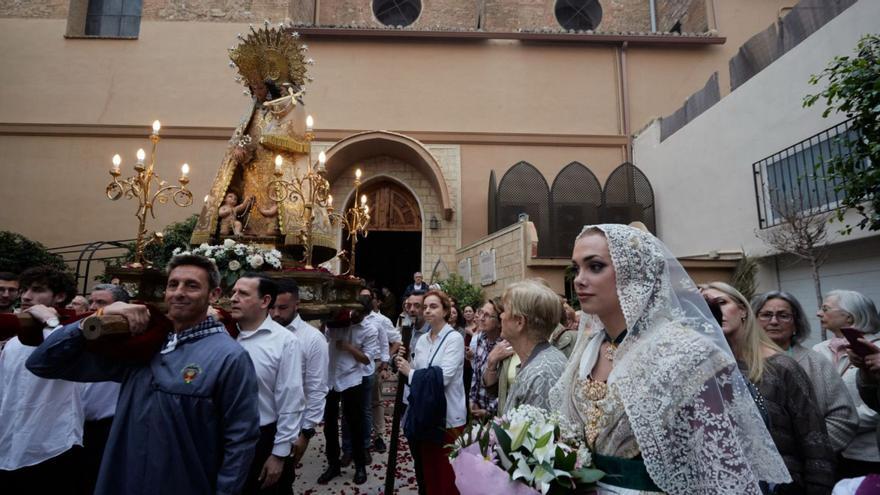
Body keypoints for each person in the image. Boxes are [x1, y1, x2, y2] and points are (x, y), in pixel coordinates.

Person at [551, 224, 790, 494]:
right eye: (576, 268)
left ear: (636, 274)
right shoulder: (588, 349)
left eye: (595, 267)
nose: (579, 280)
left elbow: (720, 469)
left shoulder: (687, 353)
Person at [26, 254, 261, 495]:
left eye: (191, 285)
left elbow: (241, 440)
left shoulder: (230, 357)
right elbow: (43, 364)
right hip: (122, 480)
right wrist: (96, 316)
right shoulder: (143, 346)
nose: (179, 292)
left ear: (213, 295)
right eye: (173, 284)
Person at [703, 282, 834, 494]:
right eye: (706, 306)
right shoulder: (707, 371)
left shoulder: (782, 367)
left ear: (743, 310)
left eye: (722, 302)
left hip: (784, 486)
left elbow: (814, 439)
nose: (717, 311)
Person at [0, 267, 82, 493]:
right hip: (10, 439)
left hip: (52, 443)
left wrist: (50, 321)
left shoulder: (70, 334)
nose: (26, 296)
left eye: (37, 290)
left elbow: (63, 347)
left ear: (60, 297)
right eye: (25, 290)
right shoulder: (14, 342)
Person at [752, 290, 858, 453]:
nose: (774, 321)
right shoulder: (739, 362)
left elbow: (843, 418)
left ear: (796, 323)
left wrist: (808, 450)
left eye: (783, 315)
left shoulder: (816, 362)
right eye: (766, 315)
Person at [231, 274, 304, 495]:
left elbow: (290, 398)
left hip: (261, 439)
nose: (233, 298)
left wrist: (279, 454)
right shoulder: (223, 333)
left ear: (265, 301)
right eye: (233, 292)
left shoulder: (284, 341)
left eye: (243, 294)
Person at [396, 289, 465, 495]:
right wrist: (404, 361)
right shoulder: (422, 340)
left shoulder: (454, 339)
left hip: (448, 417)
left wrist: (411, 373)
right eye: (425, 307)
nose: (427, 310)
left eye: (433, 306)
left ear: (445, 311)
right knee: (429, 473)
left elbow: (442, 377)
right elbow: (415, 370)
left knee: (448, 476)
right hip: (425, 416)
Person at [813, 290, 880, 478]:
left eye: (825, 309)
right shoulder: (819, 350)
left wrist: (839, 423)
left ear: (849, 317)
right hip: (832, 453)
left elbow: (876, 409)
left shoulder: (876, 352)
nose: (818, 313)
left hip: (868, 455)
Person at [270, 279, 328, 468]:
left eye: (283, 308)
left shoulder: (312, 339)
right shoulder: (262, 332)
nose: (276, 313)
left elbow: (316, 388)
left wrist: (306, 433)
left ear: (297, 305)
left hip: (290, 425)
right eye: (272, 307)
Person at [79, 282, 131, 495]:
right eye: (91, 301)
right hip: (75, 428)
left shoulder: (129, 344)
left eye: (101, 303)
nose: (93, 307)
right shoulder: (78, 336)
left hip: (107, 430)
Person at [318, 297, 376, 485]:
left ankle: (360, 466)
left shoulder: (370, 329)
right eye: (352, 310)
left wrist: (348, 347)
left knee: (355, 424)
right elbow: (324, 336)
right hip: (331, 379)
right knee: (329, 426)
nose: (354, 315)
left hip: (352, 380)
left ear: (365, 313)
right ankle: (333, 464)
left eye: (358, 312)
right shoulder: (339, 321)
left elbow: (367, 360)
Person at [499, 280, 568, 413]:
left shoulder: (542, 374)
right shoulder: (540, 361)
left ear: (520, 322)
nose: (501, 316)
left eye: (504, 311)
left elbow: (536, 432)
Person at [360, 287, 395, 453]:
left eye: (368, 297)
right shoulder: (352, 317)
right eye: (362, 296)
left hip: (374, 364)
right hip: (356, 366)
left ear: (375, 300)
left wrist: (384, 362)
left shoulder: (381, 320)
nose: (365, 300)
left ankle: (379, 436)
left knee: (376, 401)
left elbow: (393, 341)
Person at [468, 299, 505, 419]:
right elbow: (476, 374)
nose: (481, 318)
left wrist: (489, 411)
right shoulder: (480, 339)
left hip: (497, 415)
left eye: (487, 315)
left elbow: (507, 388)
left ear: (500, 322)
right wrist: (471, 400)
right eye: (481, 313)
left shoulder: (505, 346)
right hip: (477, 410)